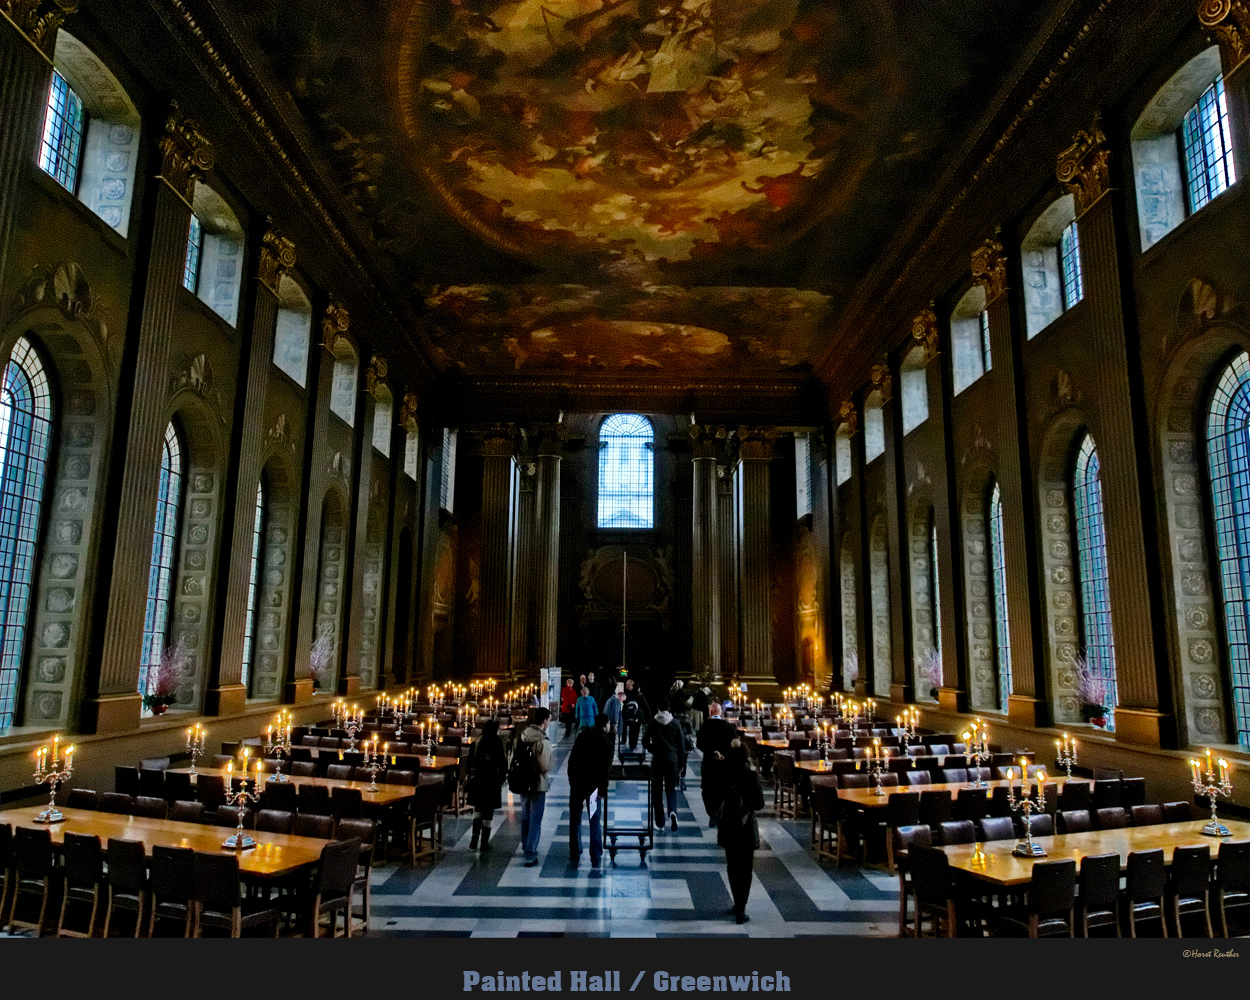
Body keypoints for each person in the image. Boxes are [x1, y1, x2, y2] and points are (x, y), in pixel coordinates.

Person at [718, 740, 765, 924]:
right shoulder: (751, 775)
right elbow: (759, 803)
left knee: (732, 865)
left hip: (729, 825)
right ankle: (741, 907)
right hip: (745, 827)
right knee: (745, 869)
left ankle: (736, 901)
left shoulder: (724, 772)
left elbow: (716, 796)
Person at [566, 713, 613, 866]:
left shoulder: (582, 736)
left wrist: (572, 779)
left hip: (578, 784)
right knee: (594, 820)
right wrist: (602, 791)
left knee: (575, 818)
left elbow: (572, 760)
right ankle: (596, 855)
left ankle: (575, 850)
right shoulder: (606, 742)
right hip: (593, 788)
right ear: (605, 724)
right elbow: (605, 770)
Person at [512, 707, 555, 867]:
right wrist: (552, 761)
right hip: (537, 784)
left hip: (523, 781)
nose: (549, 722)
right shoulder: (542, 740)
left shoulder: (523, 735)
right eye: (549, 719)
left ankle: (526, 846)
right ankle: (530, 853)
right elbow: (544, 766)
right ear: (544, 721)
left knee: (525, 816)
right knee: (536, 819)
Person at [642, 697, 686, 831]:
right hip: (672, 759)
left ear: (657, 708)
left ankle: (660, 822)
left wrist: (653, 748)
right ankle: (672, 812)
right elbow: (681, 745)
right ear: (669, 708)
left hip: (657, 760)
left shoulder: (652, 722)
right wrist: (681, 764)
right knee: (670, 789)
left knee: (656, 791)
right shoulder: (676, 723)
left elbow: (644, 741)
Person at [465, 719, 507, 851]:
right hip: (492, 782)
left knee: (478, 809)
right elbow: (502, 763)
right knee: (488, 813)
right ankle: (484, 842)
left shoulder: (477, 742)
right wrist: (501, 779)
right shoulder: (496, 742)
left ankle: (474, 837)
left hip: (478, 780)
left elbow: (468, 763)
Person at [697, 701, 737, 827]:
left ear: (710, 712)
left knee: (707, 791)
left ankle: (712, 813)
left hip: (709, 763)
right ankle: (717, 812)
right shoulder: (729, 726)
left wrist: (713, 752)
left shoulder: (705, 725)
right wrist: (724, 754)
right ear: (721, 712)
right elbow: (734, 744)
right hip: (724, 764)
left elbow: (699, 744)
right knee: (722, 790)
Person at [622, 678, 650, 751]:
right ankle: (633, 746)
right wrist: (648, 717)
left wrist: (623, 715)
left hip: (630, 717)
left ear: (632, 685)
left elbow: (625, 706)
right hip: (638, 717)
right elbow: (645, 706)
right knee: (635, 731)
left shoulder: (628, 695)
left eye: (627, 685)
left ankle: (631, 745)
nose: (626, 686)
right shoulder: (639, 695)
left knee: (631, 731)